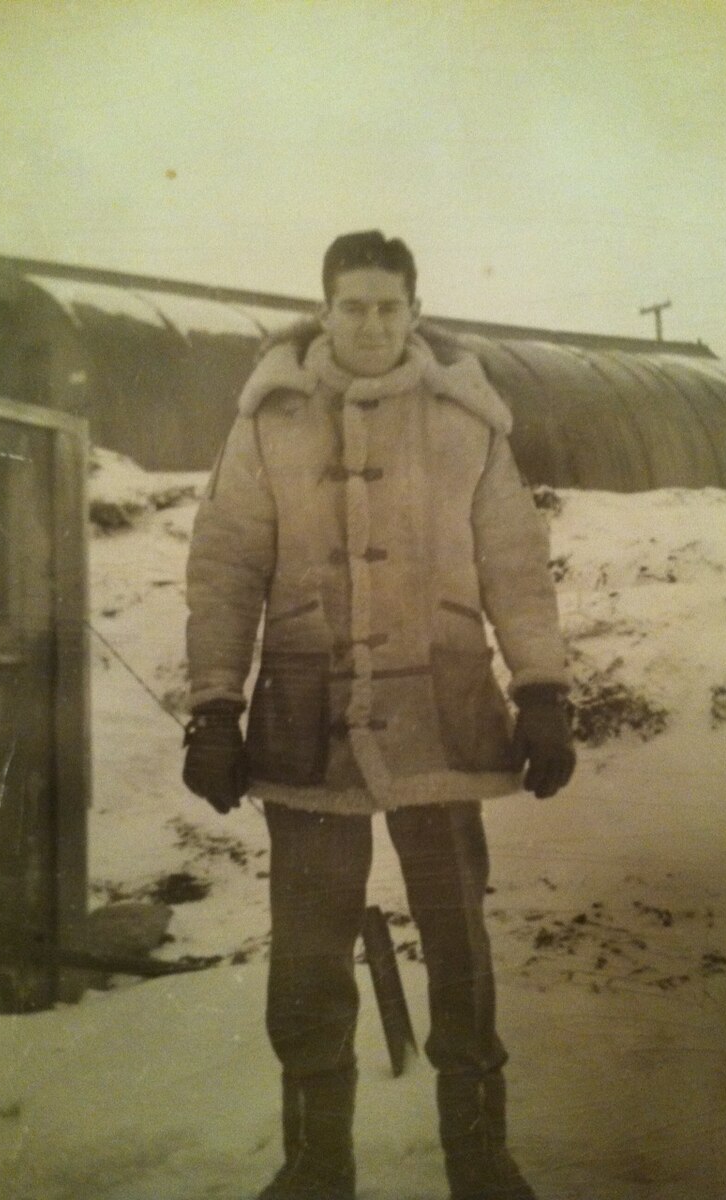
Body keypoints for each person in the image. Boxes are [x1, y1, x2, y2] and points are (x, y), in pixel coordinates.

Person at [182, 231, 576, 1200]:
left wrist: (540, 691)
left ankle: (479, 1162)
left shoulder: (464, 422)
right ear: (323, 310)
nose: (368, 323)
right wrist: (213, 707)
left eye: (386, 307)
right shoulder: (268, 421)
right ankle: (317, 1167)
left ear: (413, 311)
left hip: (440, 717)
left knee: (460, 951)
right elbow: (226, 567)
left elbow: (514, 566)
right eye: (350, 305)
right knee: (307, 961)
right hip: (305, 725)